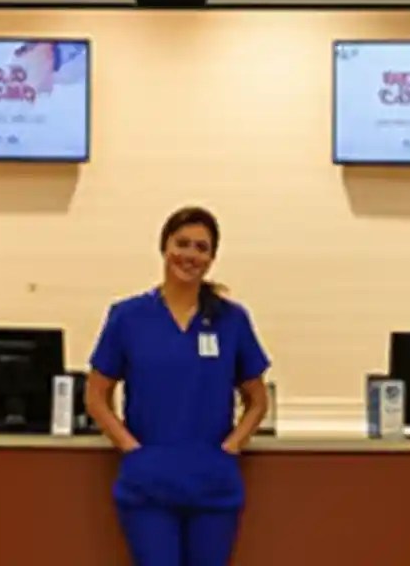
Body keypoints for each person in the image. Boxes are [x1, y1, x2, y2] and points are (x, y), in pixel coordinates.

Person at [85, 206, 271, 566]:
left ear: (212, 258)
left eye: (201, 248)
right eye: (182, 243)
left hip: (212, 482)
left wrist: (231, 446)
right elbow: (96, 395)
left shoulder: (232, 319)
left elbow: (258, 401)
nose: (190, 255)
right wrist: (131, 448)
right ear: (164, 247)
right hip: (148, 483)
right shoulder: (128, 317)